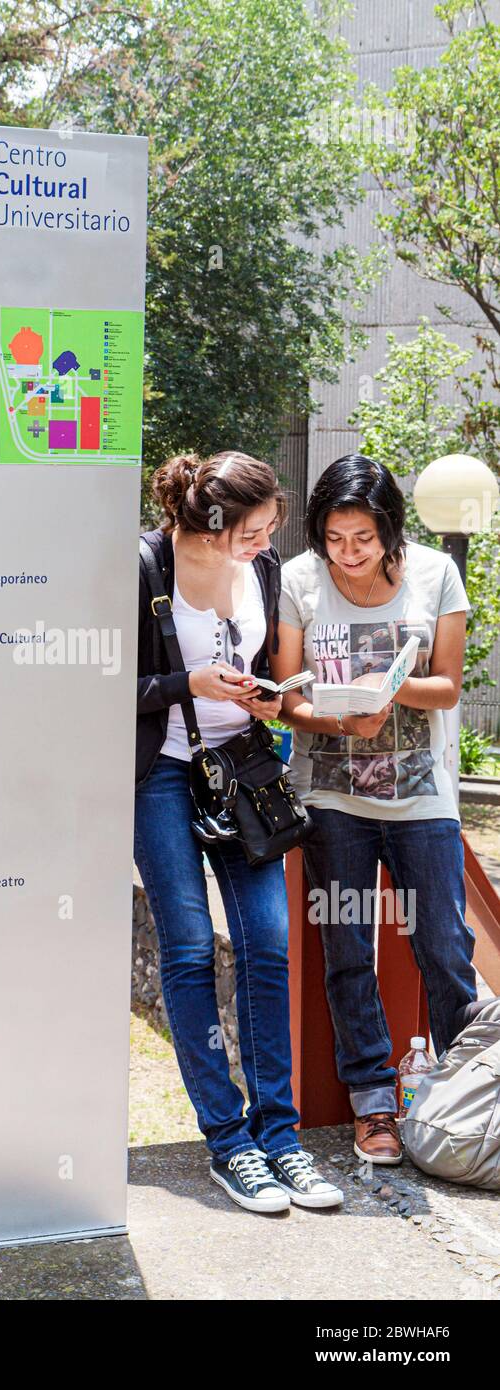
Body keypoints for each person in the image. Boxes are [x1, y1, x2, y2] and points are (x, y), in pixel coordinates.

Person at [135, 450, 343, 1212]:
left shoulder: (260, 571)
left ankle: (280, 1138)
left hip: (244, 771)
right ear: (211, 524)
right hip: (158, 774)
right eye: (252, 534)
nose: (264, 547)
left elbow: (268, 669)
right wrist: (182, 684)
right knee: (189, 948)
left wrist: (269, 700)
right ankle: (229, 1143)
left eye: (269, 533)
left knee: (267, 941)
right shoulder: (144, 566)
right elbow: (96, 681)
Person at [271, 453, 479, 1165]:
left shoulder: (435, 574)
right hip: (332, 798)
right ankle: (373, 1106)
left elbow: (448, 687)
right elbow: (288, 698)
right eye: (333, 539)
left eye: (362, 538)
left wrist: (390, 691)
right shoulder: (299, 581)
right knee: (347, 950)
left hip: (422, 795)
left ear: (389, 529)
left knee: (446, 948)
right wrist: (336, 719)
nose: (348, 555)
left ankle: (466, 1096)